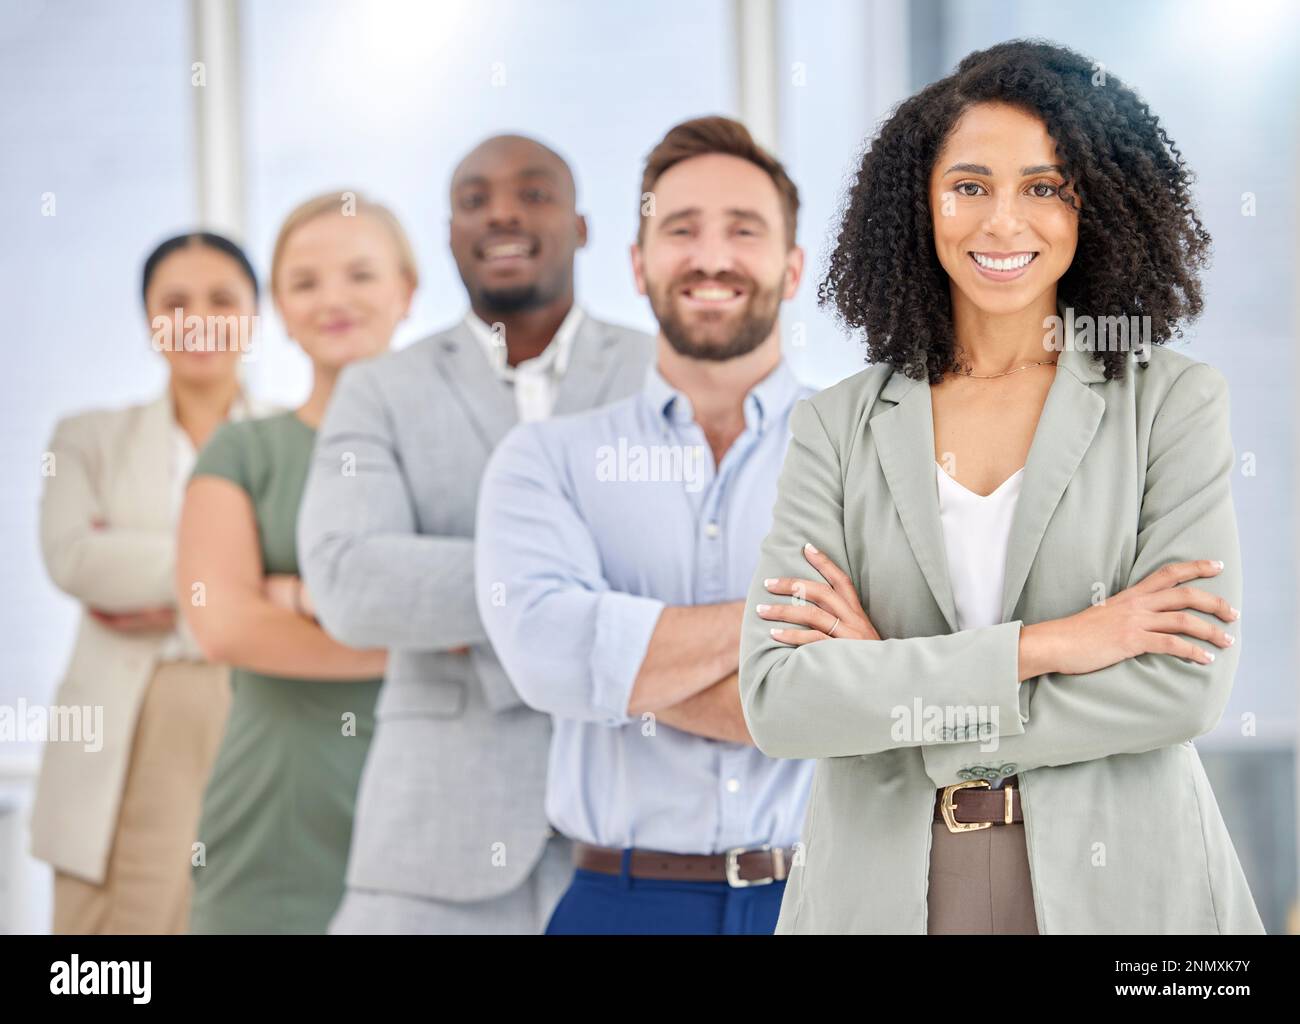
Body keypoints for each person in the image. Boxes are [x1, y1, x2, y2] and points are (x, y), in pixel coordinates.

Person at [738, 39, 1265, 934]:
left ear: (1092, 202)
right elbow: (783, 703)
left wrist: (899, 698)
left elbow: (1182, 689)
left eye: (1043, 187)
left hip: (1130, 889)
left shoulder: (1172, 404)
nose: (1003, 223)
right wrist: (1055, 643)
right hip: (883, 891)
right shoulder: (836, 426)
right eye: (970, 186)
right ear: (923, 202)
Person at [298, 135, 654, 934]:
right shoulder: (379, 390)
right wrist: (591, 598)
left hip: (642, 837)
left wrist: (479, 610)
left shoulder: (661, 372)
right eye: (474, 200)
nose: (502, 212)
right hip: (432, 846)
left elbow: (708, 573)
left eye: (534, 193)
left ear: (584, 226)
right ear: (451, 232)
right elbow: (353, 585)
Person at [476, 116, 815, 935]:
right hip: (618, 905)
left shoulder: (871, 450)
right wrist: (795, 633)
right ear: (636, 263)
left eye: (744, 229)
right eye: (680, 229)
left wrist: (623, 669)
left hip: (827, 901)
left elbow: (899, 673)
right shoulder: (545, 459)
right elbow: (549, 658)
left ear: (792, 266)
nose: (711, 257)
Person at [178, 191, 413, 932]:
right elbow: (223, 628)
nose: (332, 299)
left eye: (360, 274)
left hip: (429, 815)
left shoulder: (466, 454)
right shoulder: (242, 452)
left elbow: (503, 611)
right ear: (278, 308)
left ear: (407, 291)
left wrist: (297, 597)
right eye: (305, 282)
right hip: (271, 826)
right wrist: (420, 642)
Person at [31, 231, 275, 933]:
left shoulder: (292, 440)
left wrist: (154, 579)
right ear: (148, 320)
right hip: (128, 719)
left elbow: (319, 576)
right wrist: (241, 576)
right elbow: (74, 557)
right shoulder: (88, 438)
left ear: (254, 317)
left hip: (255, 711)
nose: (198, 318)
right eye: (175, 301)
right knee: (109, 948)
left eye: (222, 299)